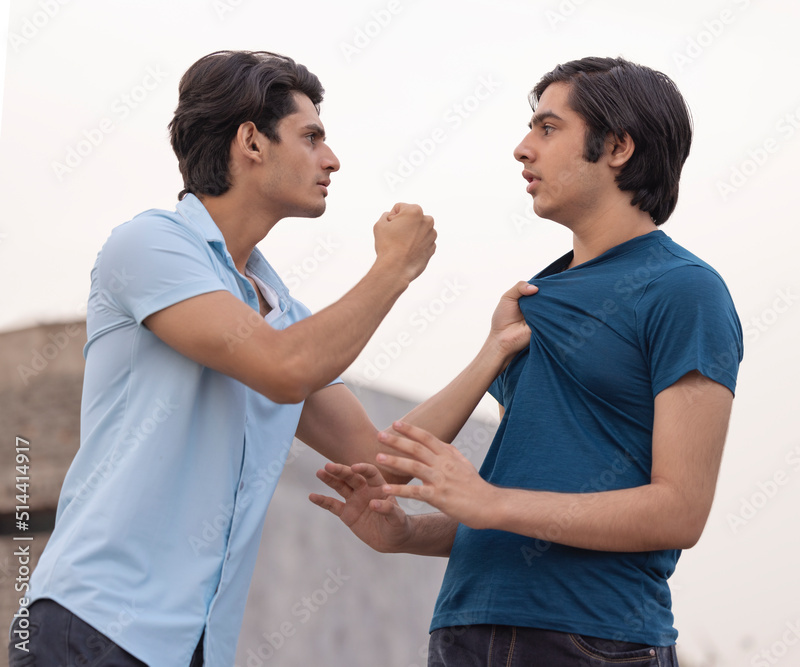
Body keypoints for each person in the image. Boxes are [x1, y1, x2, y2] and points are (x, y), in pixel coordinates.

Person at [9, 50, 533, 667]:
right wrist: (394, 267)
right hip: (91, 625)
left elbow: (379, 461)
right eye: (311, 137)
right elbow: (281, 369)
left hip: (195, 647)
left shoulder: (278, 306)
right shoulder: (151, 244)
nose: (331, 159)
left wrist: (493, 352)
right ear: (251, 141)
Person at [311, 56, 744, 666]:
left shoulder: (684, 290)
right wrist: (410, 533)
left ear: (617, 146)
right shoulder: (534, 300)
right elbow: (530, 502)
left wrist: (489, 500)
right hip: (464, 630)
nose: (522, 149)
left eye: (547, 128)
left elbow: (679, 510)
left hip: (594, 640)